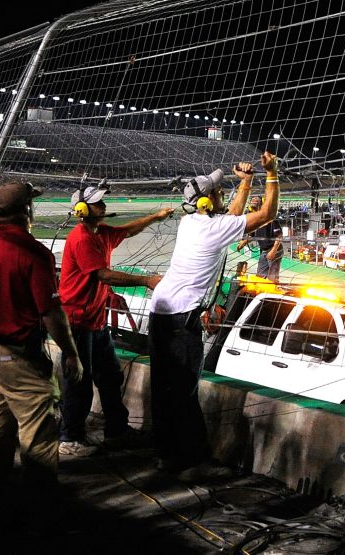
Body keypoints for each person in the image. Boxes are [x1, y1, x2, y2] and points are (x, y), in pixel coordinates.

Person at [0, 180, 83, 530]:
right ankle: (40, 511)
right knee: (39, 436)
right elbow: (50, 312)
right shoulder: (34, 252)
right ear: (27, 210)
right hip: (18, 357)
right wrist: (71, 354)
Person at [148, 151, 279, 481]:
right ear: (207, 202)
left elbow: (230, 218)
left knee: (164, 388)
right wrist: (272, 174)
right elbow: (267, 214)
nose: (224, 194)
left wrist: (246, 183)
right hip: (181, 319)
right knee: (184, 391)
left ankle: (167, 455)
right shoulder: (211, 228)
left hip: (161, 312)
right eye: (219, 192)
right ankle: (194, 460)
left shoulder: (191, 222)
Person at [58, 182, 174, 457]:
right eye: (98, 203)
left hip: (95, 320)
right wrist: (146, 280)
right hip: (77, 321)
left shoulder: (101, 232)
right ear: (83, 210)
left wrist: (155, 217)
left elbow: (128, 229)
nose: (103, 206)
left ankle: (116, 431)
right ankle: (69, 438)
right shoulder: (82, 238)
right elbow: (103, 274)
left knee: (110, 376)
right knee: (79, 381)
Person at [235, 196, 283, 281]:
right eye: (252, 200)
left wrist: (273, 251)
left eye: (256, 200)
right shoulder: (256, 220)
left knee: (272, 278)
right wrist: (243, 242)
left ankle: (271, 292)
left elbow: (279, 236)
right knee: (260, 277)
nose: (253, 201)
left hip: (274, 250)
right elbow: (252, 235)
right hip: (264, 251)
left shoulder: (270, 218)